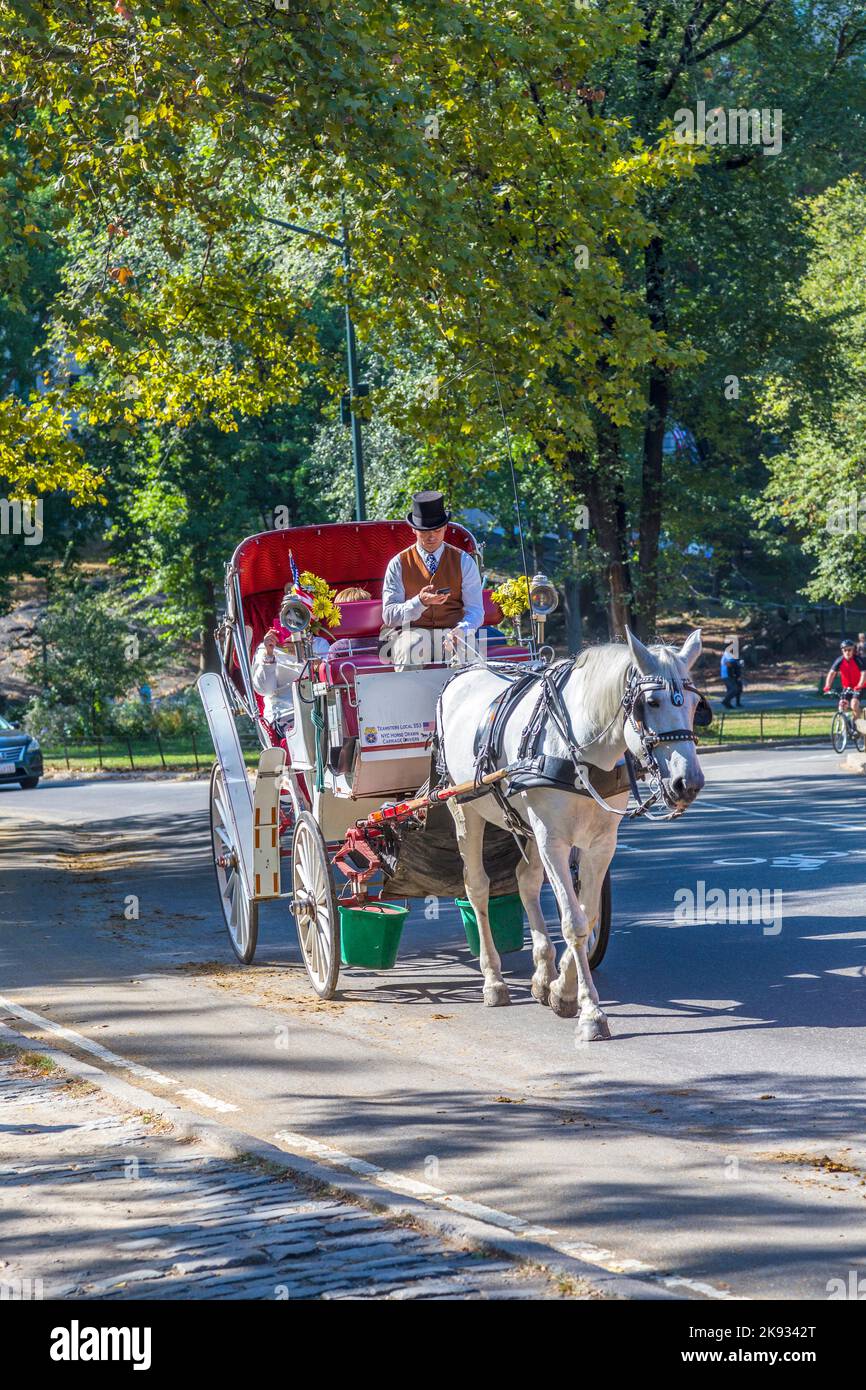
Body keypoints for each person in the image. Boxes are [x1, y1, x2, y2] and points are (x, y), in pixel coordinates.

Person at [381, 490, 484, 667]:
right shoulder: (398, 563)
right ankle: (410, 695)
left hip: (453, 630)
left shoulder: (464, 561)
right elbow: (389, 615)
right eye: (424, 531)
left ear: (445, 527)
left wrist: (463, 629)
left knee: (469, 654)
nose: (431, 536)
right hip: (410, 631)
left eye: (437, 530)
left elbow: (476, 610)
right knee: (410, 650)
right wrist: (419, 602)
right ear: (414, 529)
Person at [251, 586, 330, 734]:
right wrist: (269, 654)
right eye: (288, 614)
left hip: (319, 709)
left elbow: (328, 679)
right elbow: (264, 690)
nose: (293, 622)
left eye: (299, 615)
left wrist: (306, 654)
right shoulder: (266, 648)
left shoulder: (319, 645)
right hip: (284, 712)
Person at [823, 638, 866, 716]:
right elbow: (831, 673)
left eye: (849, 650)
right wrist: (827, 686)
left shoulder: (859, 660)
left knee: (854, 704)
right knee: (842, 706)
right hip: (847, 687)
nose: (847, 652)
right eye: (844, 650)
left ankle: (857, 725)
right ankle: (844, 724)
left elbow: (864, 674)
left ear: (853, 650)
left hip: (859, 687)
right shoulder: (839, 660)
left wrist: (859, 685)